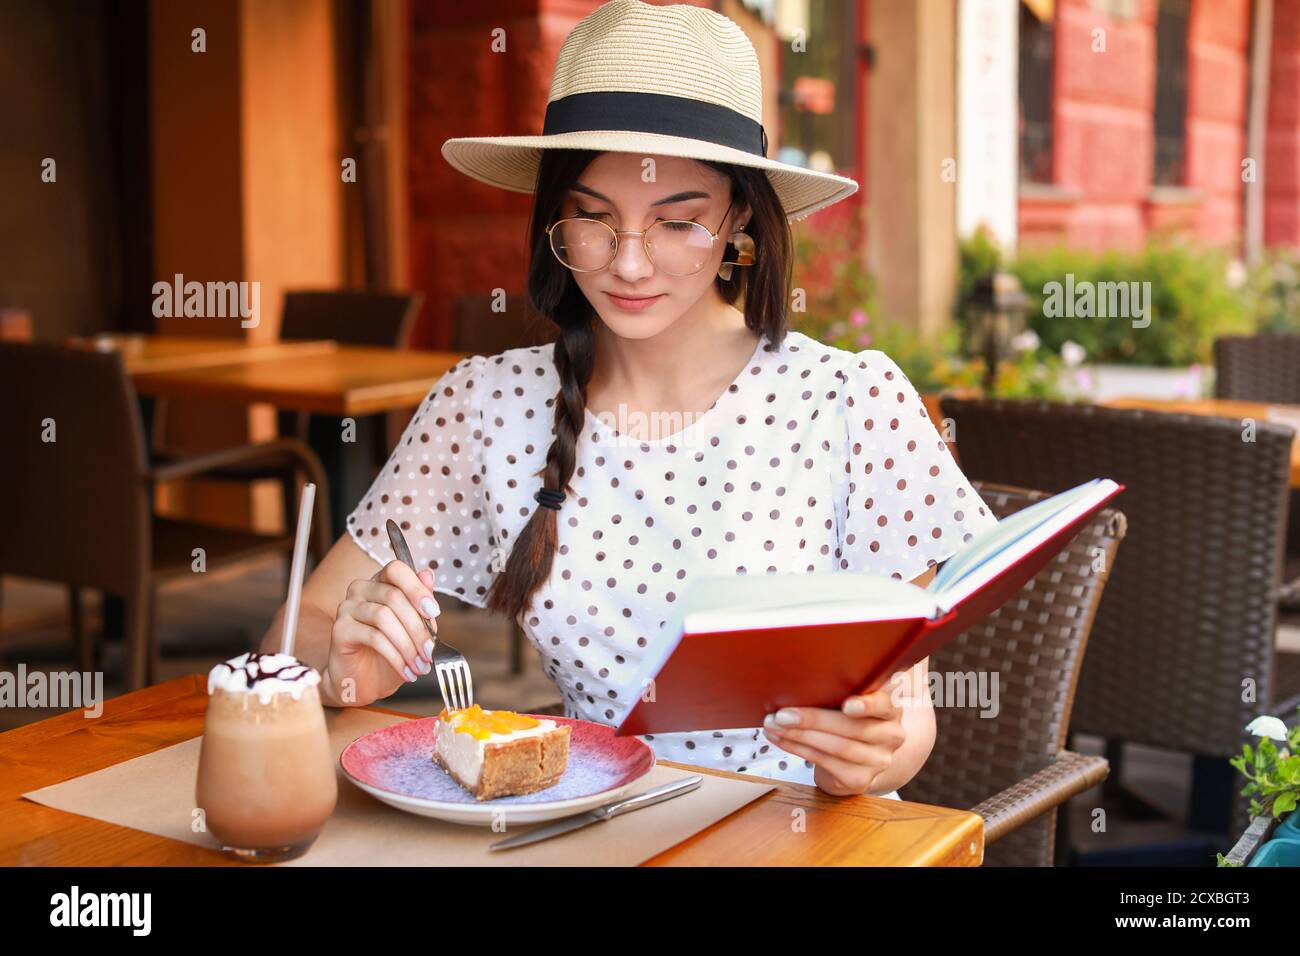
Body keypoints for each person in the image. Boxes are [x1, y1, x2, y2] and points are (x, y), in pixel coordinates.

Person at [260, 0, 998, 799]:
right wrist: (338, 670)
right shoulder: (484, 406)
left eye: (677, 223)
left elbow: (909, 722)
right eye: (593, 220)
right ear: (554, 215)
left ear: (740, 217)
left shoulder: (853, 403)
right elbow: (289, 639)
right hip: (596, 831)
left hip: (808, 837)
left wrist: (872, 755)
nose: (631, 266)